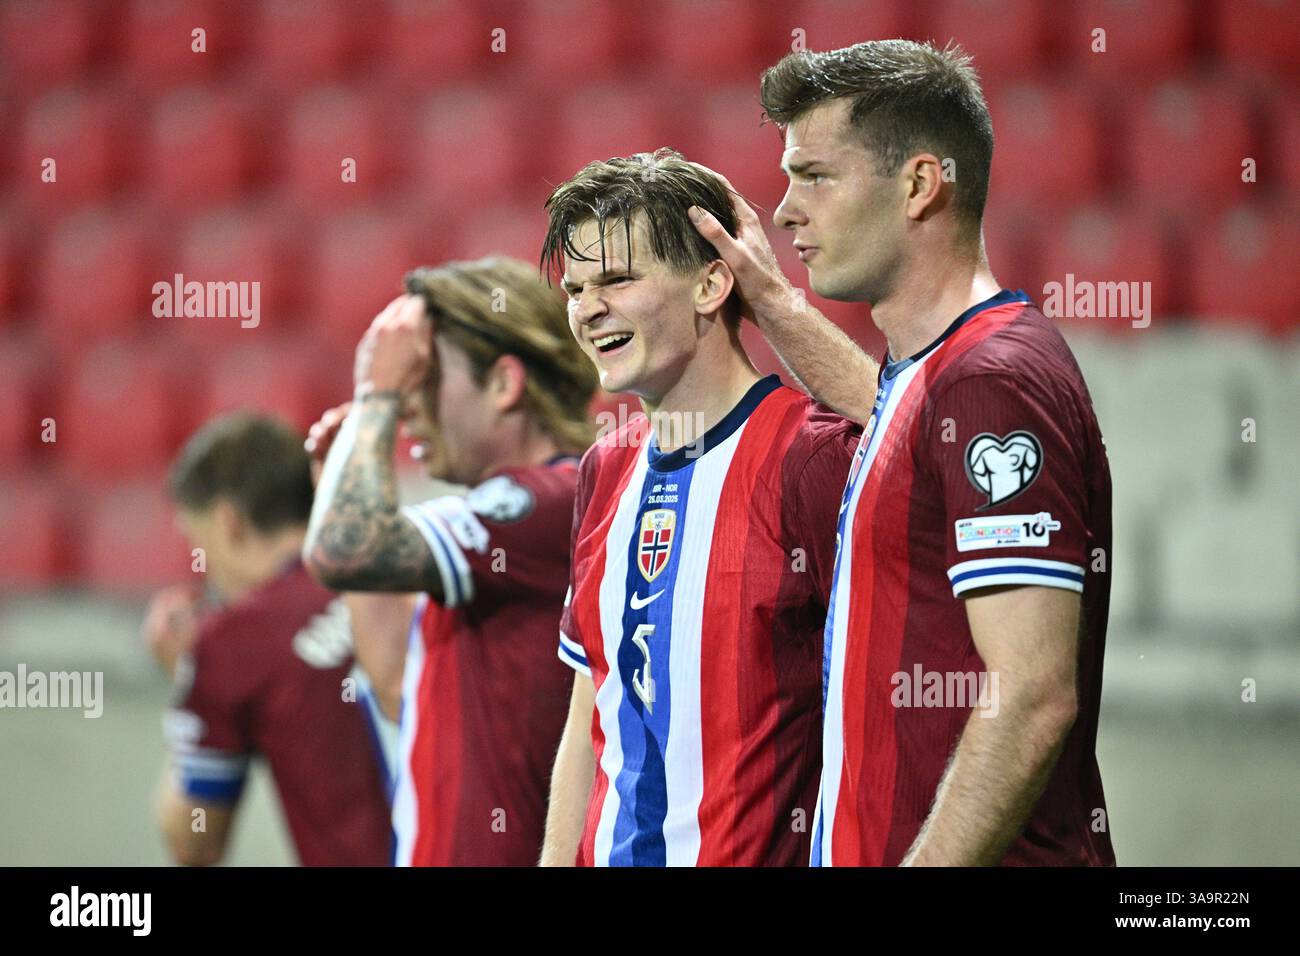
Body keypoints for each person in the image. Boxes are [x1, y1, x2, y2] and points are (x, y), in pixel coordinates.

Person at [689, 39, 1116, 866]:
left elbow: (1032, 695)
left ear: (920, 185)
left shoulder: (995, 382)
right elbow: (891, 420)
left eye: (814, 176)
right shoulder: (936, 370)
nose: (784, 211)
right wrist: (771, 299)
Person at [538, 149, 860, 867]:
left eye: (617, 280)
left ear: (713, 282)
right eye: (576, 288)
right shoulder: (603, 467)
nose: (588, 309)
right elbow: (591, 710)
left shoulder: (814, 457)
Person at [302, 256, 598, 866]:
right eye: (405, 383)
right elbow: (394, 686)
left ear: (504, 384)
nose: (409, 406)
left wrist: (375, 396)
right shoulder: (497, 533)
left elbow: (345, 549)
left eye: (425, 377)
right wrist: (351, 473)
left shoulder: (549, 501)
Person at [147, 412, 392, 866]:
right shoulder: (394, 565)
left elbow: (193, 844)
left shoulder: (235, 640)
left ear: (229, 522)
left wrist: (189, 679)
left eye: (197, 540)